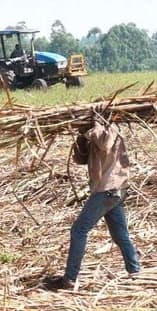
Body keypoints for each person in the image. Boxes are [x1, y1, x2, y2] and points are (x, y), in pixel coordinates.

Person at [44, 118, 141, 291]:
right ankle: (135, 271)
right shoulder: (94, 135)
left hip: (109, 190)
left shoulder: (111, 128)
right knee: (120, 235)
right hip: (111, 191)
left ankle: (69, 279)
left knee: (78, 230)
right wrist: (81, 137)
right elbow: (80, 159)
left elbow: (105, 144)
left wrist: (96, 123)